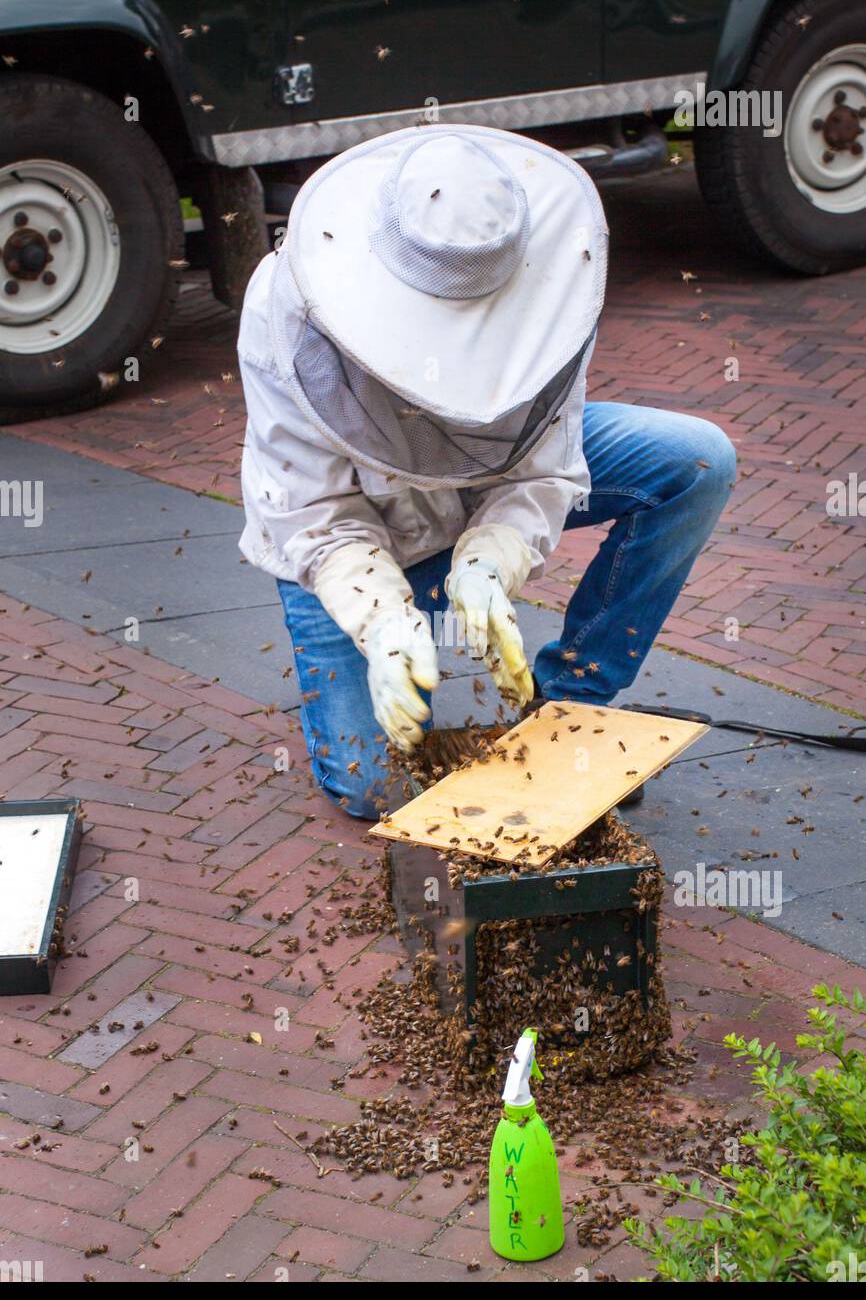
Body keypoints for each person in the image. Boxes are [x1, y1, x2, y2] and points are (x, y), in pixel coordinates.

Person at [238, 124, 735, 819]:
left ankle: (568, 705)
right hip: (362, 530)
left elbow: (545, 466)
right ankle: (399, 623)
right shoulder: (285, 310)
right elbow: (310, 509)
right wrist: (382, 622)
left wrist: (490, 563)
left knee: (697, 460)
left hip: (482, 492)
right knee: (372, 787)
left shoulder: (556, 288)